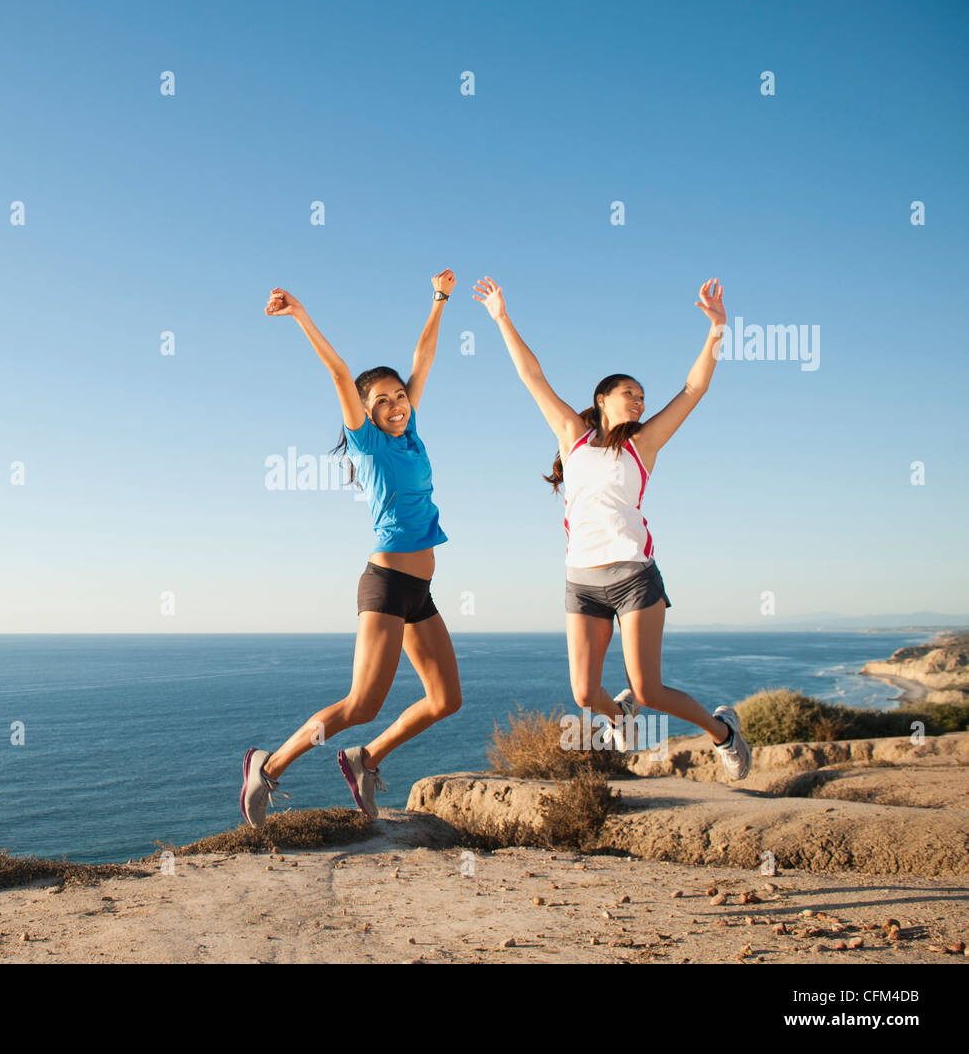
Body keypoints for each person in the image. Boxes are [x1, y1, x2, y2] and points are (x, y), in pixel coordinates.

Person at [474, 275, 751, 779]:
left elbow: (693, 389)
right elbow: (532, 377)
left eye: (643, 396)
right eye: (630, 394)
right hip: (581, 581)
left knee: (649, 689)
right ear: (602, 398)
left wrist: (715, 333)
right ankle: (619, 716)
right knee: (584, 693)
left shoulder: (643, 444)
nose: (640, 401)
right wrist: (501, 318)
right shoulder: (572, 437)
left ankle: (724, 733)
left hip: (633, 577)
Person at [240, 271, 464, 826]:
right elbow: (339, 371)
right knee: (360, 704)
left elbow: (426, 356)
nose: (396, 405)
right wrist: (300, 314)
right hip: (386, 585)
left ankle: (368, 757)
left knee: (445, 700)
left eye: (401, 397)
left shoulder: (411, 434)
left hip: (420, 590)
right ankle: (268, 767)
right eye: (383, 400)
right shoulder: (367, 442)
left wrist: (439, 300)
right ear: (365, 410)